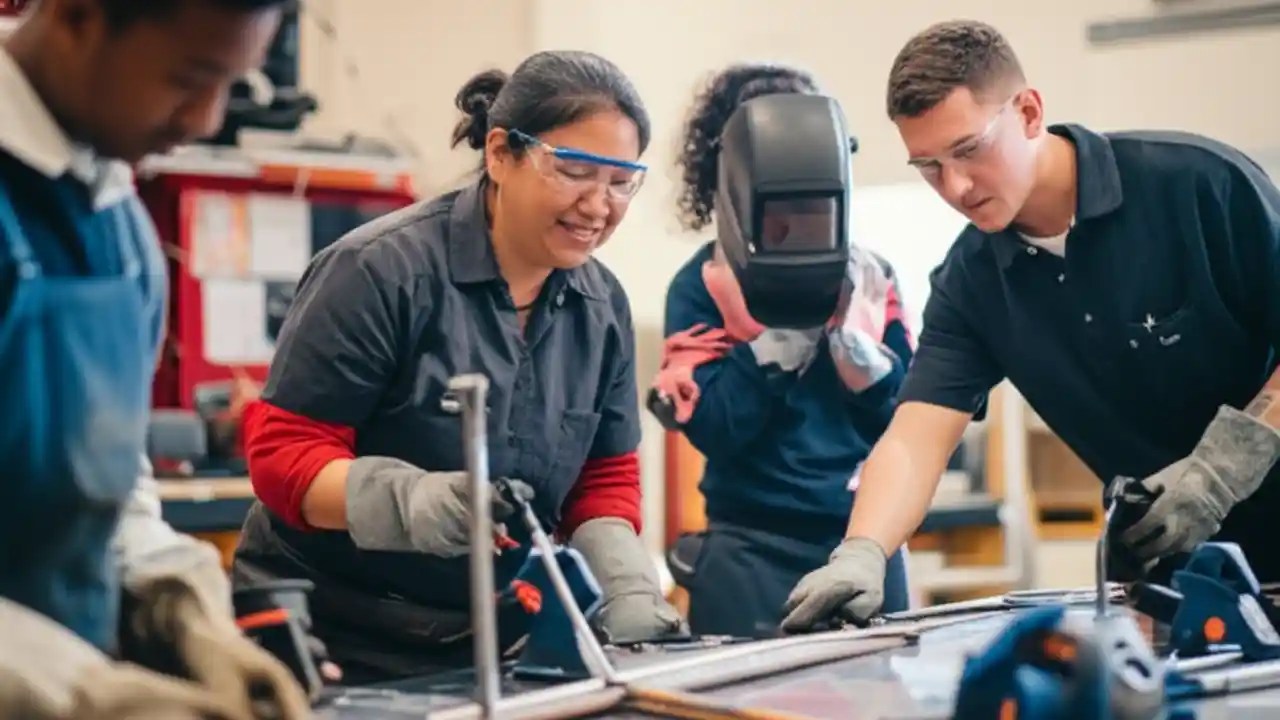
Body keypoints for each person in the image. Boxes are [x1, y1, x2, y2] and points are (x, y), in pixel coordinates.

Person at [781, 19, 1280, 632]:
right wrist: (862, 552)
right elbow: (915, 439)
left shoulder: (1200, 186)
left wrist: (1222, 470)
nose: (956, 186)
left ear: (1028, 110)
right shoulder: (970, 284)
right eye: (929, 166)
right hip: (1185, 581)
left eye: (968, 150)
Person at [231, 49, 689, 684]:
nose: (598, 205)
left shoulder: (601, 305)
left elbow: (602, 481)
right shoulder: (380, 271)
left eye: (620, 182)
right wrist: (413, 501)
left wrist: (628, 588)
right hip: (331, 629)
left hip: (488, 633)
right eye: (576, 171)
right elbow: (284, 457)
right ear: (500, 153)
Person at [0, 1, 311, 718]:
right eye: (190, 77)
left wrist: (183, 612)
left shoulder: (124, 236)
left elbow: (111, 498)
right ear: (79, 17)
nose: (205, 119)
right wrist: (76, 689)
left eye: (233, 85)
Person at [654, 64, 915, 638]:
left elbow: (908, 425)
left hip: (864, 543)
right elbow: (717, 428)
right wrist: (781, 339)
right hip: (749, 548)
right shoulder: (701, 286)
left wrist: (857, 353)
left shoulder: (871, 282)